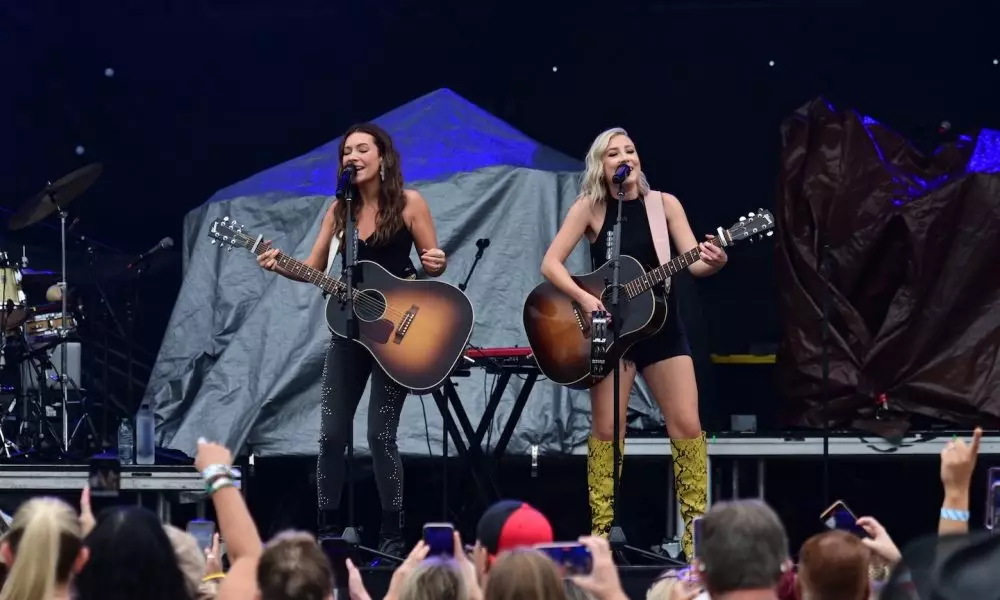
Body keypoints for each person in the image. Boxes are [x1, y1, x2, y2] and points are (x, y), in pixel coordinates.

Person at [257, 122, 448, 555]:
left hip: (398, 336)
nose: (352, 157)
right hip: (349, 334)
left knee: (381, 436)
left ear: (383, 157)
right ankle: (327, 529)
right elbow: (314, 266)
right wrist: (277, 261)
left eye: (362, 149)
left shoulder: (409, 203)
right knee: (330, 435)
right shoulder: (338, 210)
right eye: (346, 151)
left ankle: (393, 534)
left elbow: (432, 267)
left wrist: (436, 261)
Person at [540, 127, 727, 558]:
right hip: (610, 333)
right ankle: (603, 533)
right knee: (608, 430)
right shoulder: (591, 207)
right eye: (614, 153)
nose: (625, 156)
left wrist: (715, 260)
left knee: (687, 425)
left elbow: (692, 265)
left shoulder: (664, 205)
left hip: (662, 328)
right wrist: (588, 301)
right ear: (601, 166)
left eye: (631, 149)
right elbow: (550, 263)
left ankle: (695, 536)